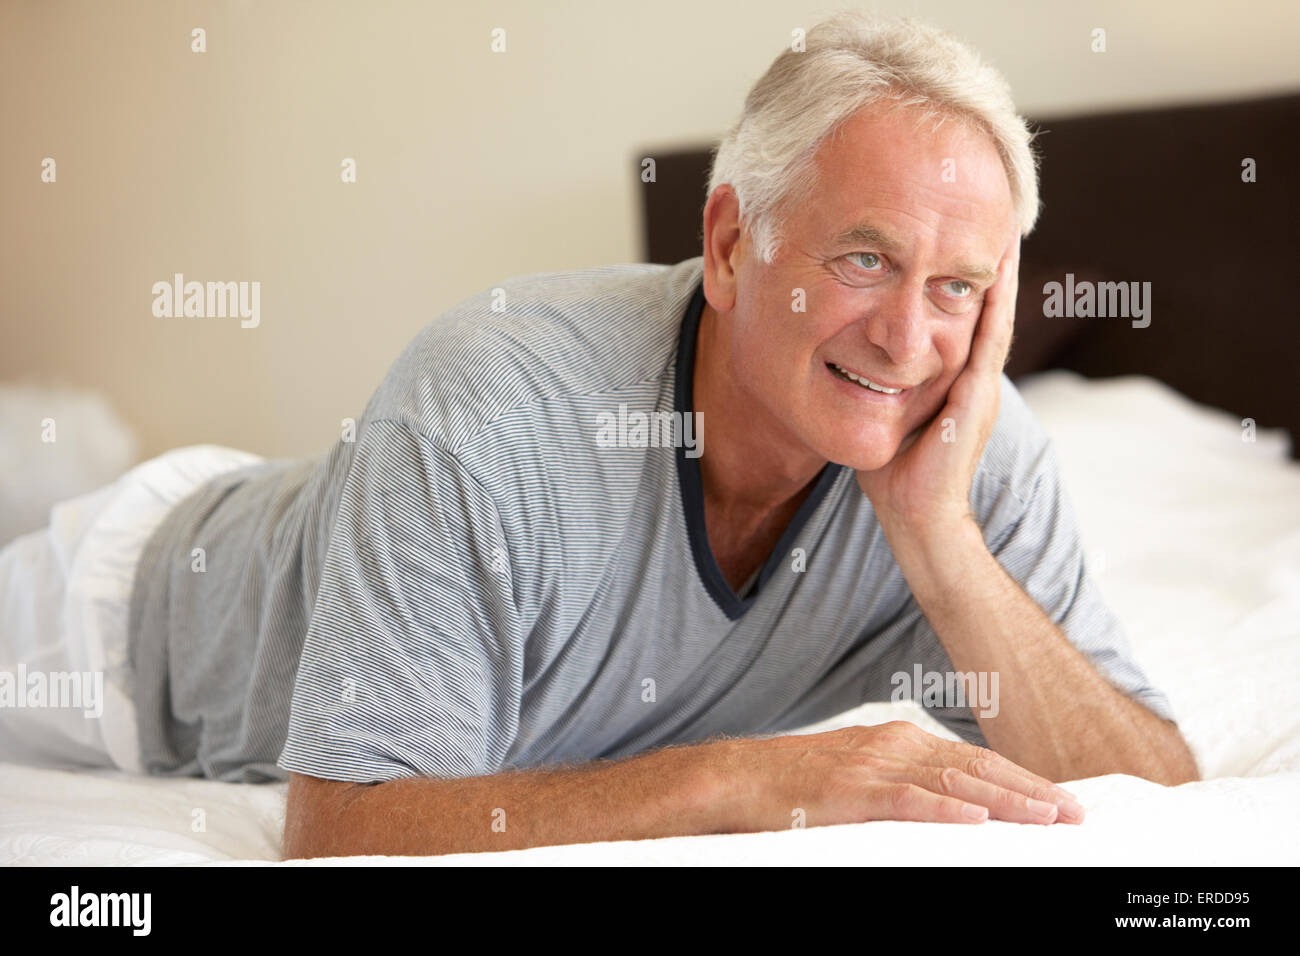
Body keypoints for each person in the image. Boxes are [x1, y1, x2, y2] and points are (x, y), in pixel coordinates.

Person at [0, 11, 1198, 858]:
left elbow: (1156, 792)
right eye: (864, 258)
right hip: (133, 618)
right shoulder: (490, 404)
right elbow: (341, 829)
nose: (904, 338)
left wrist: (940, 543)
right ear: (730, 246)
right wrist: (742, 777)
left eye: (955, 289)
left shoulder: (973, 457)